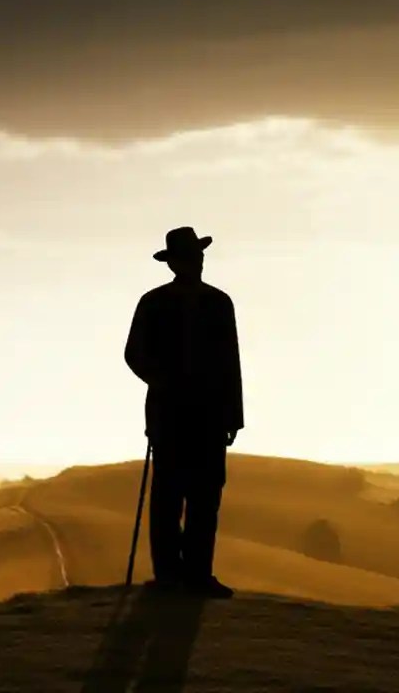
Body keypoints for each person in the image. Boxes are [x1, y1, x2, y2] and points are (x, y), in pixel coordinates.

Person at [124, 226, 243, 598]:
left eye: (199, 255)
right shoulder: (153, 303)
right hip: (171, 414)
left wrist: (232, 416)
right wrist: (160, 380)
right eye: (192, 256)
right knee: (169, 497)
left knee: (206, 497)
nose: (198, 261)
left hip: (206, 415)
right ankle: (169, 576)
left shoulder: (219, 303)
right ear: (174, 262)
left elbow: (230, 364)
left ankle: (197, 574)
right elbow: (133, 354)